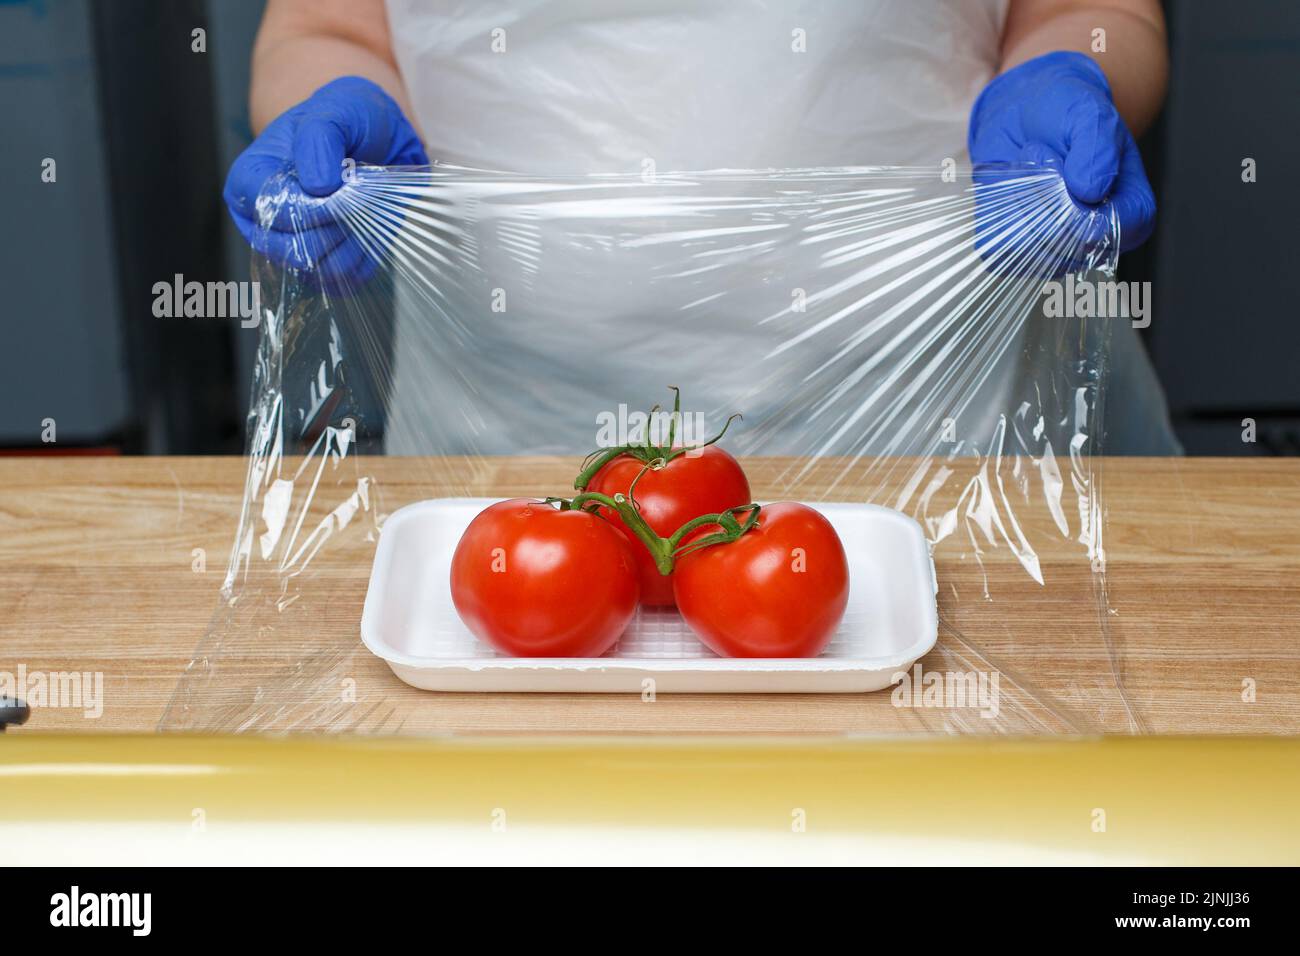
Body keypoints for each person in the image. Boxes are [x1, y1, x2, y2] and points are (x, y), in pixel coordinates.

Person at [225, 0, 1180, 455]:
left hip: (962, 441)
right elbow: (330, 26)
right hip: (508, 476)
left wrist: (1067, 78)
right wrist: (331, 125)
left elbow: (1089, 10)